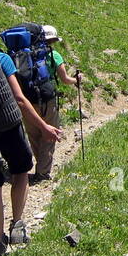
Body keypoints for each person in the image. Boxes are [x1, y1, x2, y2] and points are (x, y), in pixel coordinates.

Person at [0, 17, 60, 256]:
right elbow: (19, 99)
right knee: (20, 172)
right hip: (6, 125)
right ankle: (17, 224)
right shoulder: (2, 58)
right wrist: (44, 126)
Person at [25, 24, 82, 183]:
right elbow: (64, 79)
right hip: (48, 98)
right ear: (54, 40)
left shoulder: (26, 55)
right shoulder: (54, 55)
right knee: (49, 134)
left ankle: (40, 164)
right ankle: (43, 172)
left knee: (34, 133)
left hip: (28, 99)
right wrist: (76, 79)